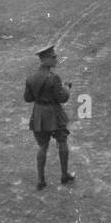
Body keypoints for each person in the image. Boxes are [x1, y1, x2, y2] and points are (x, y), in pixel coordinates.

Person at [24, 43, 74, 190]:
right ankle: (64, 175)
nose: (56, 59)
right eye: (53, 57)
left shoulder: (31, 78)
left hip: (38, 115)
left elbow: (27, 98)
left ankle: (41, 180)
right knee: (62, 141)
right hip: (54, 114)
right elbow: (63, 98)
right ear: (45, 60)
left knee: (42, 146)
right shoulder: (54, 78)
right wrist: (66, 88)